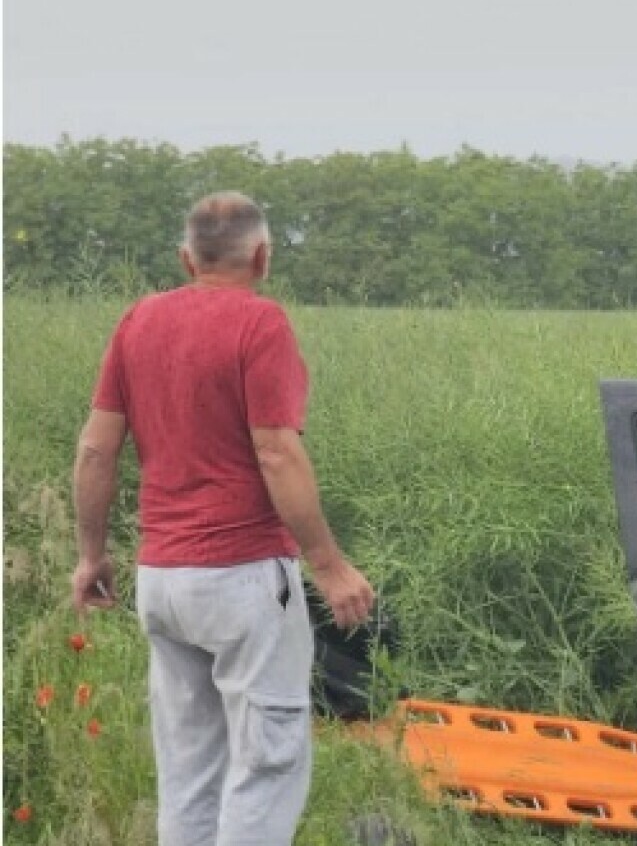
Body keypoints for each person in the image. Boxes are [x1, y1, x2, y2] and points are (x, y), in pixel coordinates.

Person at [71, 191, 374, 846]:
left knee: (188, 773)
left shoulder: (137, 322)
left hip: (163, 582)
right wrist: (329, 564)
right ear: (262, 256)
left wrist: (91, 555)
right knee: (268, 764)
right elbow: (275, 450)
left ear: (187, 259)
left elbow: (96, 449)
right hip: (240, 581)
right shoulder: (260, 324)